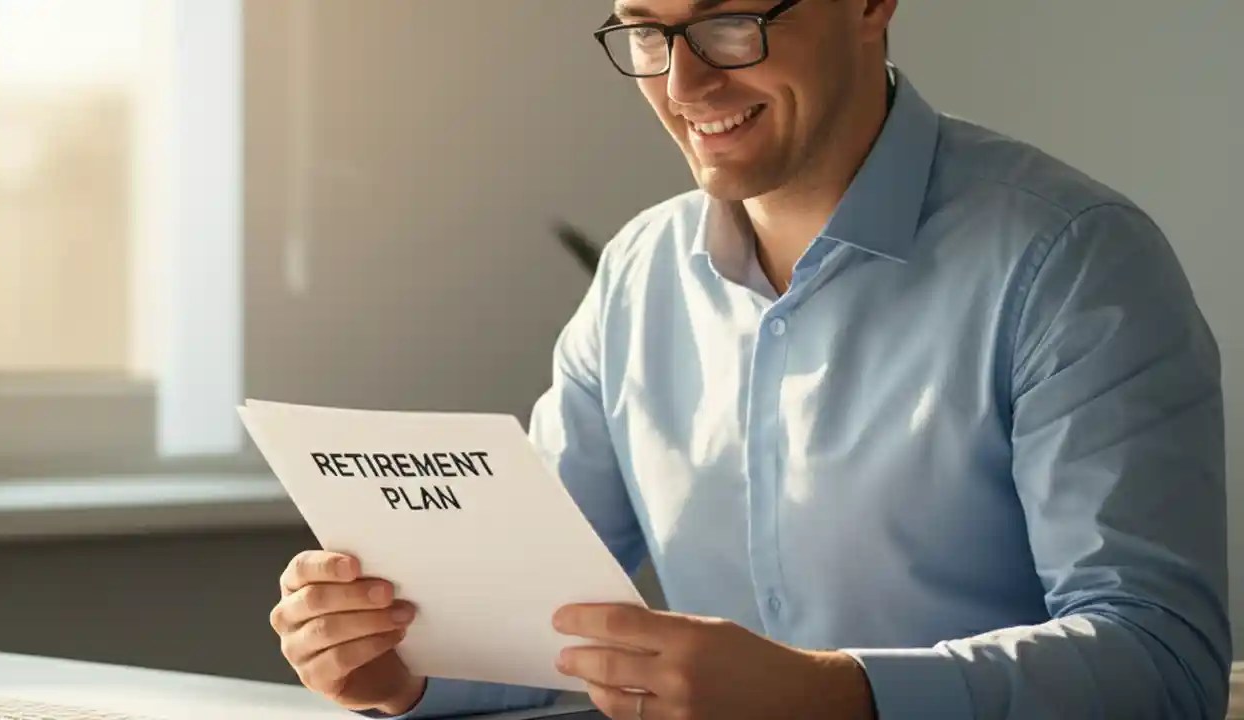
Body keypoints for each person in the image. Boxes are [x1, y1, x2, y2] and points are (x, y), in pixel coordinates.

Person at [268, 1, 1233, 718]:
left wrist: (833, 694)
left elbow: (1162, 660)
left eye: (731, 23)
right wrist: (401, 663)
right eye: (648, 32)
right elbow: (540, 616)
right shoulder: (638, 275)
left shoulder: (1071, 259)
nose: (685, 87)